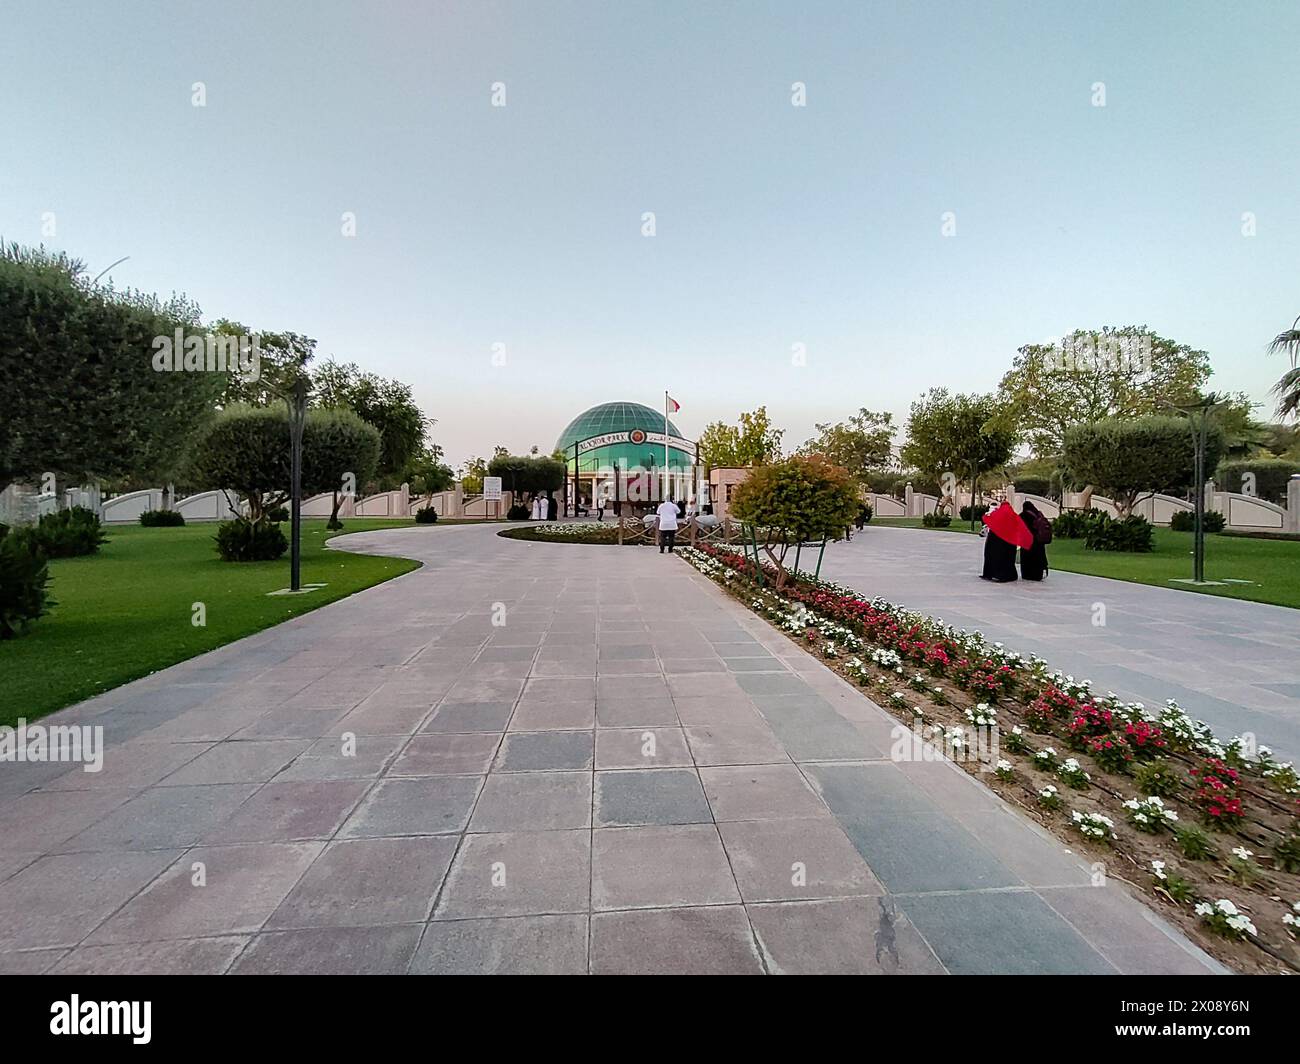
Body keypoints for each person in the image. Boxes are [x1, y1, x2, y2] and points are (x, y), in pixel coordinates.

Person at [980, 500, 1032, 582]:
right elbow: (1021, 528)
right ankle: (1008, 575)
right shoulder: (1014, 516)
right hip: (1010, 542)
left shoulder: (997, 514)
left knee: (994, 557)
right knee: (1008, 559)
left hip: (996, 541)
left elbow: (987, 518)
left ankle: (991, 574)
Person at [1019, 500, 1052, 580]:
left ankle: (1027, 575)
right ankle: (1037, 575)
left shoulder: (1023, 515)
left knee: (1027, 559)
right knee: (1038, 558)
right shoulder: (1038, 514)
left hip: (1027, 542)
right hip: (1038, 541)